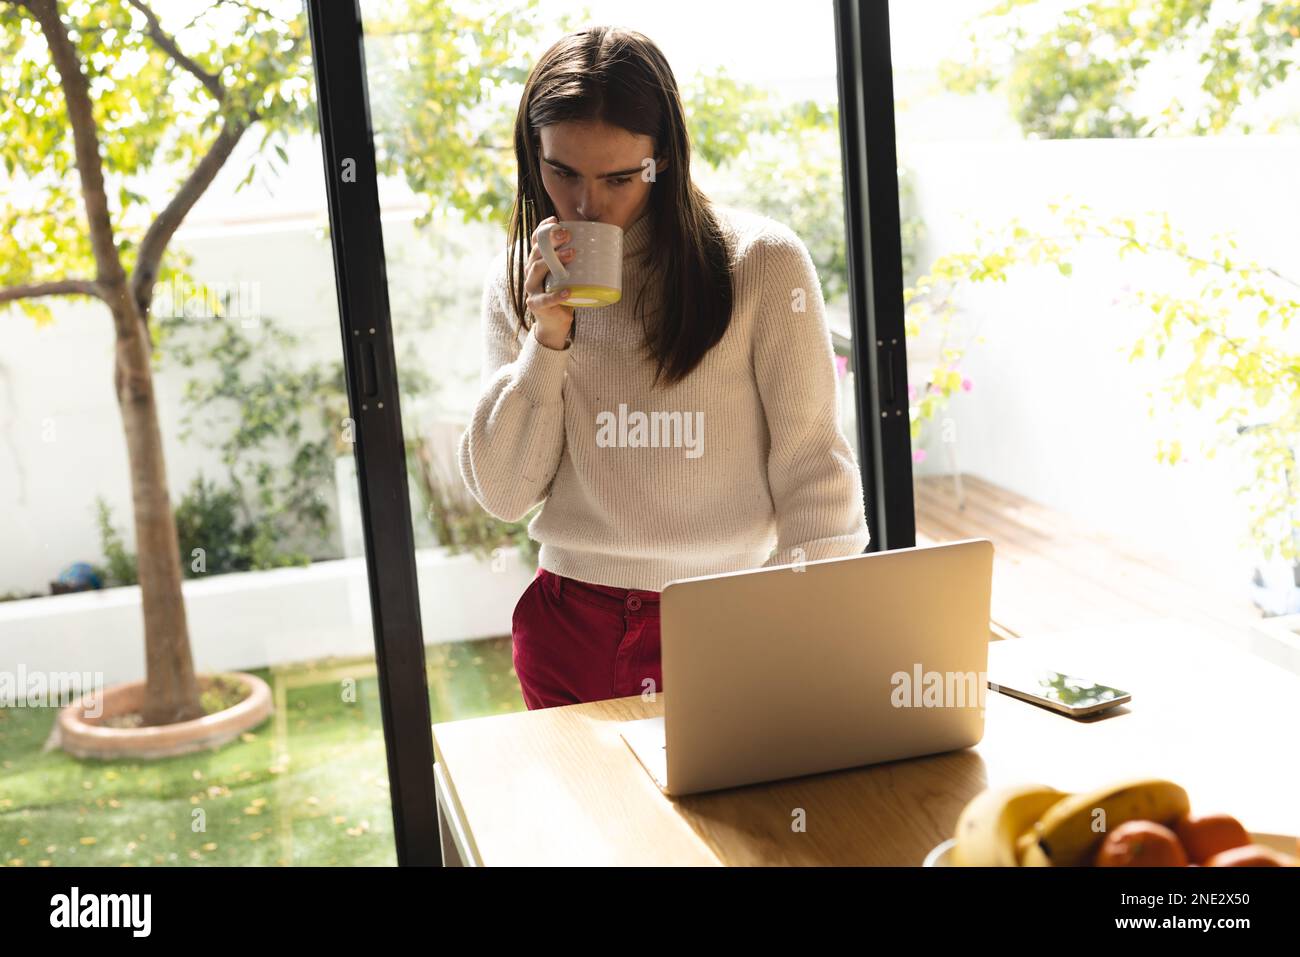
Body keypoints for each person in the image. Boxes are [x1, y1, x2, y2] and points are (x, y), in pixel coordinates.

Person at [458, 25, 871, 710]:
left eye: (619, 178)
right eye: (562, 173)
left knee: (740, 819)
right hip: (569, 624)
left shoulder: (762, 263)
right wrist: (547, 340)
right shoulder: (519, 281)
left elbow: (813, 470)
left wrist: (807, 631)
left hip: (728, 618)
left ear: (665, 160)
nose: (588, 207)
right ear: (533, 158)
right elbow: (504, 492)